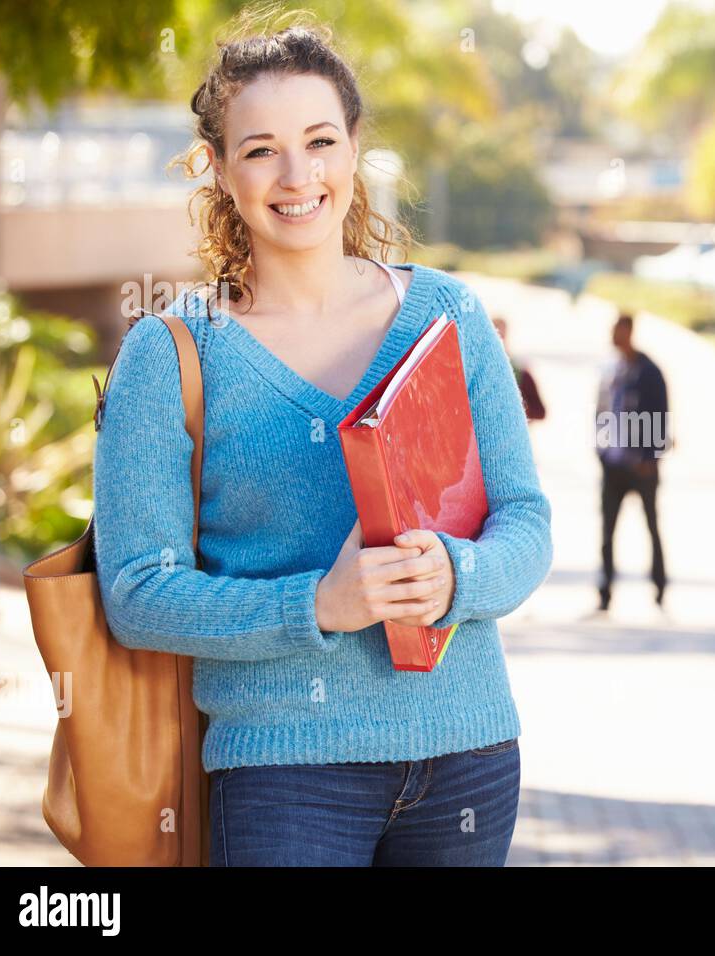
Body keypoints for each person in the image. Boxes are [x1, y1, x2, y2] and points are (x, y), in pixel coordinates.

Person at [92, 16, 552, 866]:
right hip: (284, 776)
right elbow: (136, 591)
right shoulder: (172, 354)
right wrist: (317, 607)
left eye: (320, 140)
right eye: (261, 149)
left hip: (468, 757)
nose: (297, 175)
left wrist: (461, 573)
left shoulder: (448, 315)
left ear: (352, 152)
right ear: (221, 170)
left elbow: (525, 519)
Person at [596, 313, 670, 611]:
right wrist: (600, 452)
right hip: (613, 464)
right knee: (607, 531)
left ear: (629, 331)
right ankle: (605, 589)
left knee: (651, 526)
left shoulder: (648, 371)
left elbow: (661, 412)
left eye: (619, 330)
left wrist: (650, 456)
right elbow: (601, 411)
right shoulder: (611, 369)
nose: (614, 335)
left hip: (641, 467)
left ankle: (660, 585)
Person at [492, 316, 546, 422]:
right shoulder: (481, 374)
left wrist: (517, 409)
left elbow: (540, 412)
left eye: (501, 334)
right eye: (495, 334)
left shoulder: (521, 373)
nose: (499, 339)